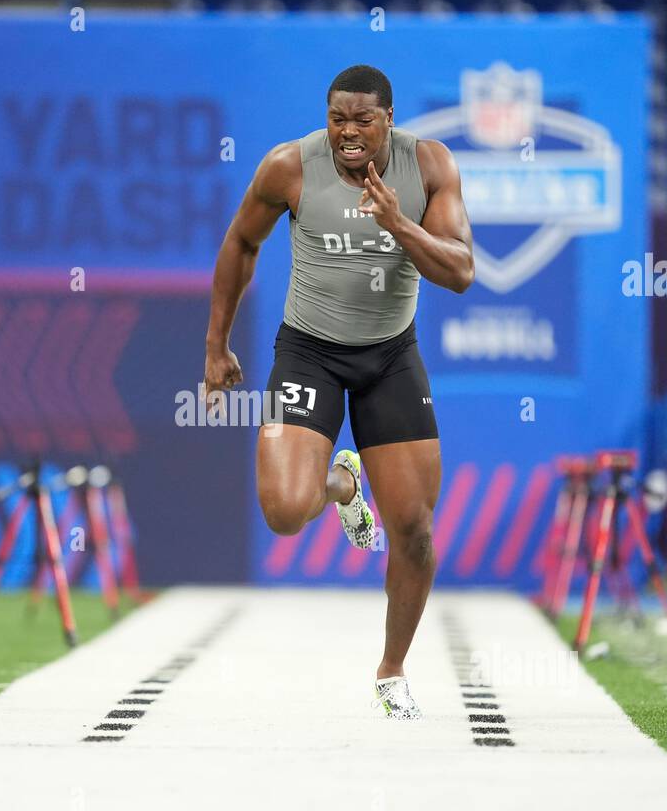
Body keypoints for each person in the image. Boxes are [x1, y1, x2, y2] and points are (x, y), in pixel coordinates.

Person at [202, 64, 474, 718]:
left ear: (388, 119)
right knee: (287, 511)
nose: (348, 133)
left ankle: (391, 670)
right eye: (337, 120)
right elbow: (241, 241)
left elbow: (462, 271)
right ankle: (341, 486)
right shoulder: (288, 167)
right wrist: (216, 345)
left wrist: (399, 225)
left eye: (362, 121)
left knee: (412, 530)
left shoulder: (428, 164)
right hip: (310, 355)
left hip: (390, 359)